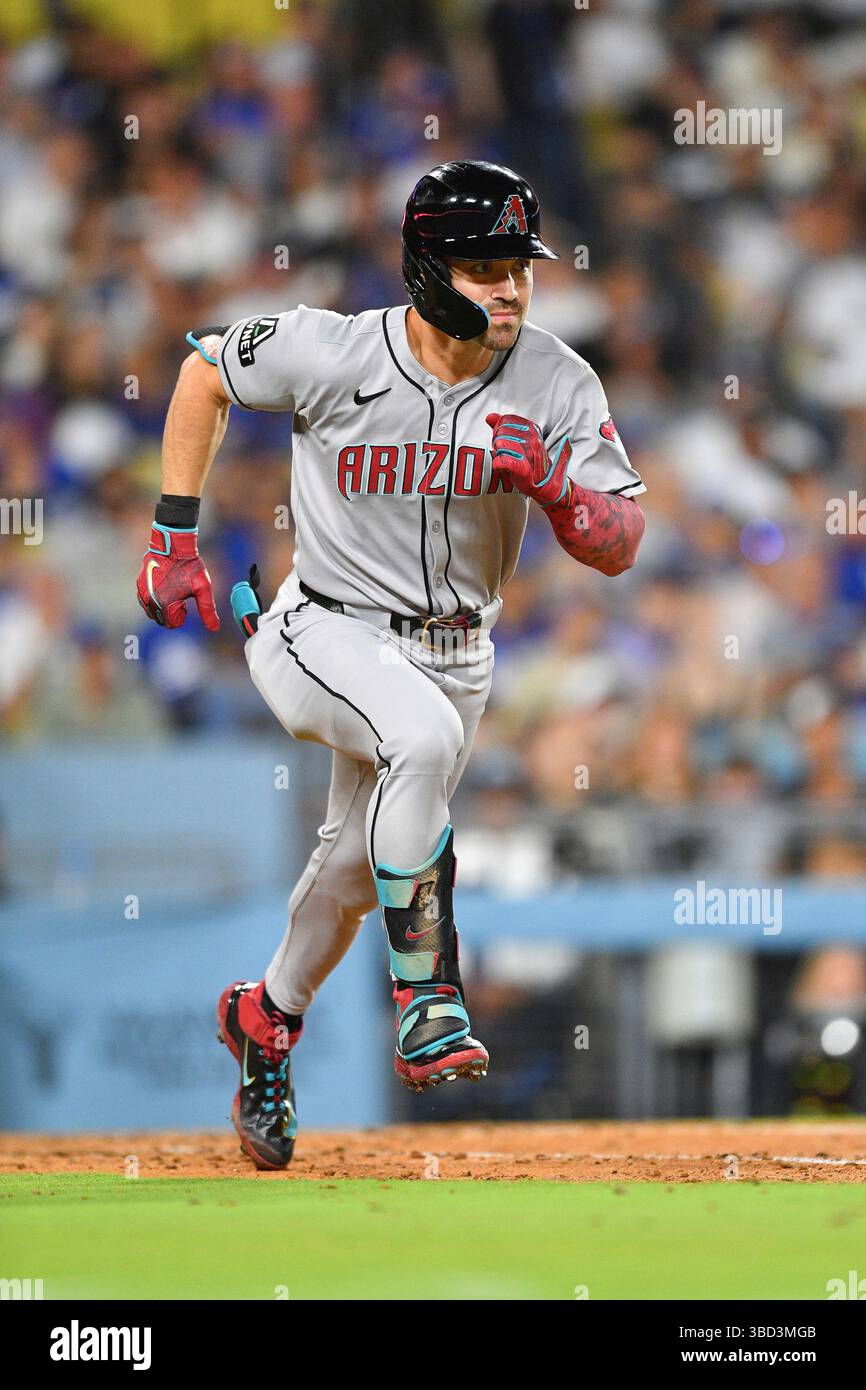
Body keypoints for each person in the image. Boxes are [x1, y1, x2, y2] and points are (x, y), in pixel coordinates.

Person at [136, 161, 646, 1168]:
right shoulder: (327, 348)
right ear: (423, 267)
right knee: (420, 740)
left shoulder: (555, 378)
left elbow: (620, 539)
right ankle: (428, 999)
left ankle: (265, 1016)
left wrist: (551, 486)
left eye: (518, 264)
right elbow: (202, 372)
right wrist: (171, 536)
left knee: (356, 865)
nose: (509, 285)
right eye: (483, 264)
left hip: (459, 650)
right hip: (319, 630)